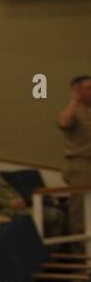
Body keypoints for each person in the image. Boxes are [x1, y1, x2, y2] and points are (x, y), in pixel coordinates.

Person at [58, 75, 91, 240]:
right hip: (81, 166)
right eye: (89, 88)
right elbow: (64, 122)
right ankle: (80, 257)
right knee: (81, 214)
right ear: (78, 91)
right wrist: (74, 100)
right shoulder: (73, 111)